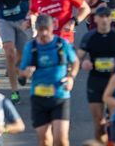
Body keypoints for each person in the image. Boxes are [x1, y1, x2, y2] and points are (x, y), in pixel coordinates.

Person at [19, 14, 79, 146]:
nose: (44, 33)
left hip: (60, 96)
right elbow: (21, 73)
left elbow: (75, 62)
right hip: (39, 98)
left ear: (53, 27)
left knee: (61, 139)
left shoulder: (61, 44)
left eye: (46, 29)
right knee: (45, 140)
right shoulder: (31, 47)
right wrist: (26, 73)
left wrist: (71, 77)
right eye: (40, 29)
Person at [77, 6, 115, 142]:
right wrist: (83, 64)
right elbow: (78, 58)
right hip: (96, 81)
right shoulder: (90, 36)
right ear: (95, 19)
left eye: (107, 16)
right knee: (99, 122)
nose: (104, 19)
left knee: (114, 121)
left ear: (111, 19)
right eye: (101, 16)